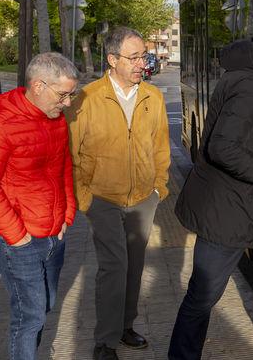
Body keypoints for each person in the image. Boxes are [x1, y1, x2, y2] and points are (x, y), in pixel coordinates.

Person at [168, 14, 253, 360]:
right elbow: (222, 147)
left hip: (234, 206)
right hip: (226, 213)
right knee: (202, 297)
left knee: (202, 296)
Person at [69, 27, 171, 360]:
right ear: (112, 60)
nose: (143, 63)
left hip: (143, 197)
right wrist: (84, 197)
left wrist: (159, 187)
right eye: (135, 57)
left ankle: (126, 325)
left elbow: (160, 147)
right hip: (102, 198)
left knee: (134, 265)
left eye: (144, 55)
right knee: (114, 266)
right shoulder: (87, 98)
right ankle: (106, 340)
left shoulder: (152, 97)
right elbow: (71, 152)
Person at [0, 52, 78, 360]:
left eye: (72, 95)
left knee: (43, 307)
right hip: (17, 239)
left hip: (53, 233)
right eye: (63, 95)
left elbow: (64, 168)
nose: (68, 103)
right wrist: (15, 234)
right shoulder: (0, 126)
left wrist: (67, 216)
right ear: (39, 85)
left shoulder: (56, 121)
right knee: (29, 316)